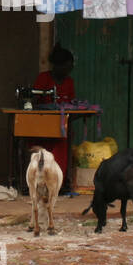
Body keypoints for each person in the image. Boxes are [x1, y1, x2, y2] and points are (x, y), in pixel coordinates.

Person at [29, 43, 76, 194]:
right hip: (41, 124)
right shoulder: (43, 78)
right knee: (36, 146)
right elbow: (35, 99)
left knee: (62, 143)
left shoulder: (69, 82)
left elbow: (72, 103)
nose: (70, 69)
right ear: (57, 66)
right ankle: (37, 181)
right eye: (68, 66)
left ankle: (57, 182)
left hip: (60, 124)